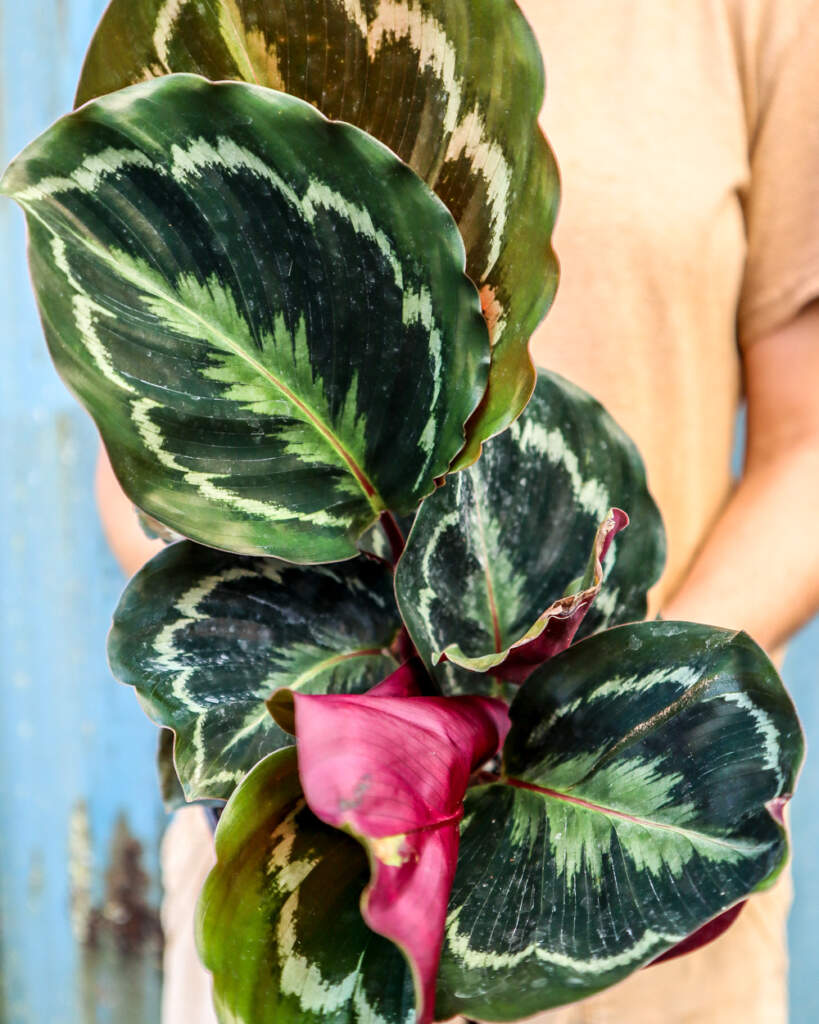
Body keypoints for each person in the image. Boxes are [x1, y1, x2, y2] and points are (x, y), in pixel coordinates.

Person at [96, 0, 819, 1020]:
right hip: (332, 858)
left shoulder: (761, 19)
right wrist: (361, 708)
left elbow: (809, 450)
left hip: (619, 844)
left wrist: (611, 723)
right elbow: (149, 452)